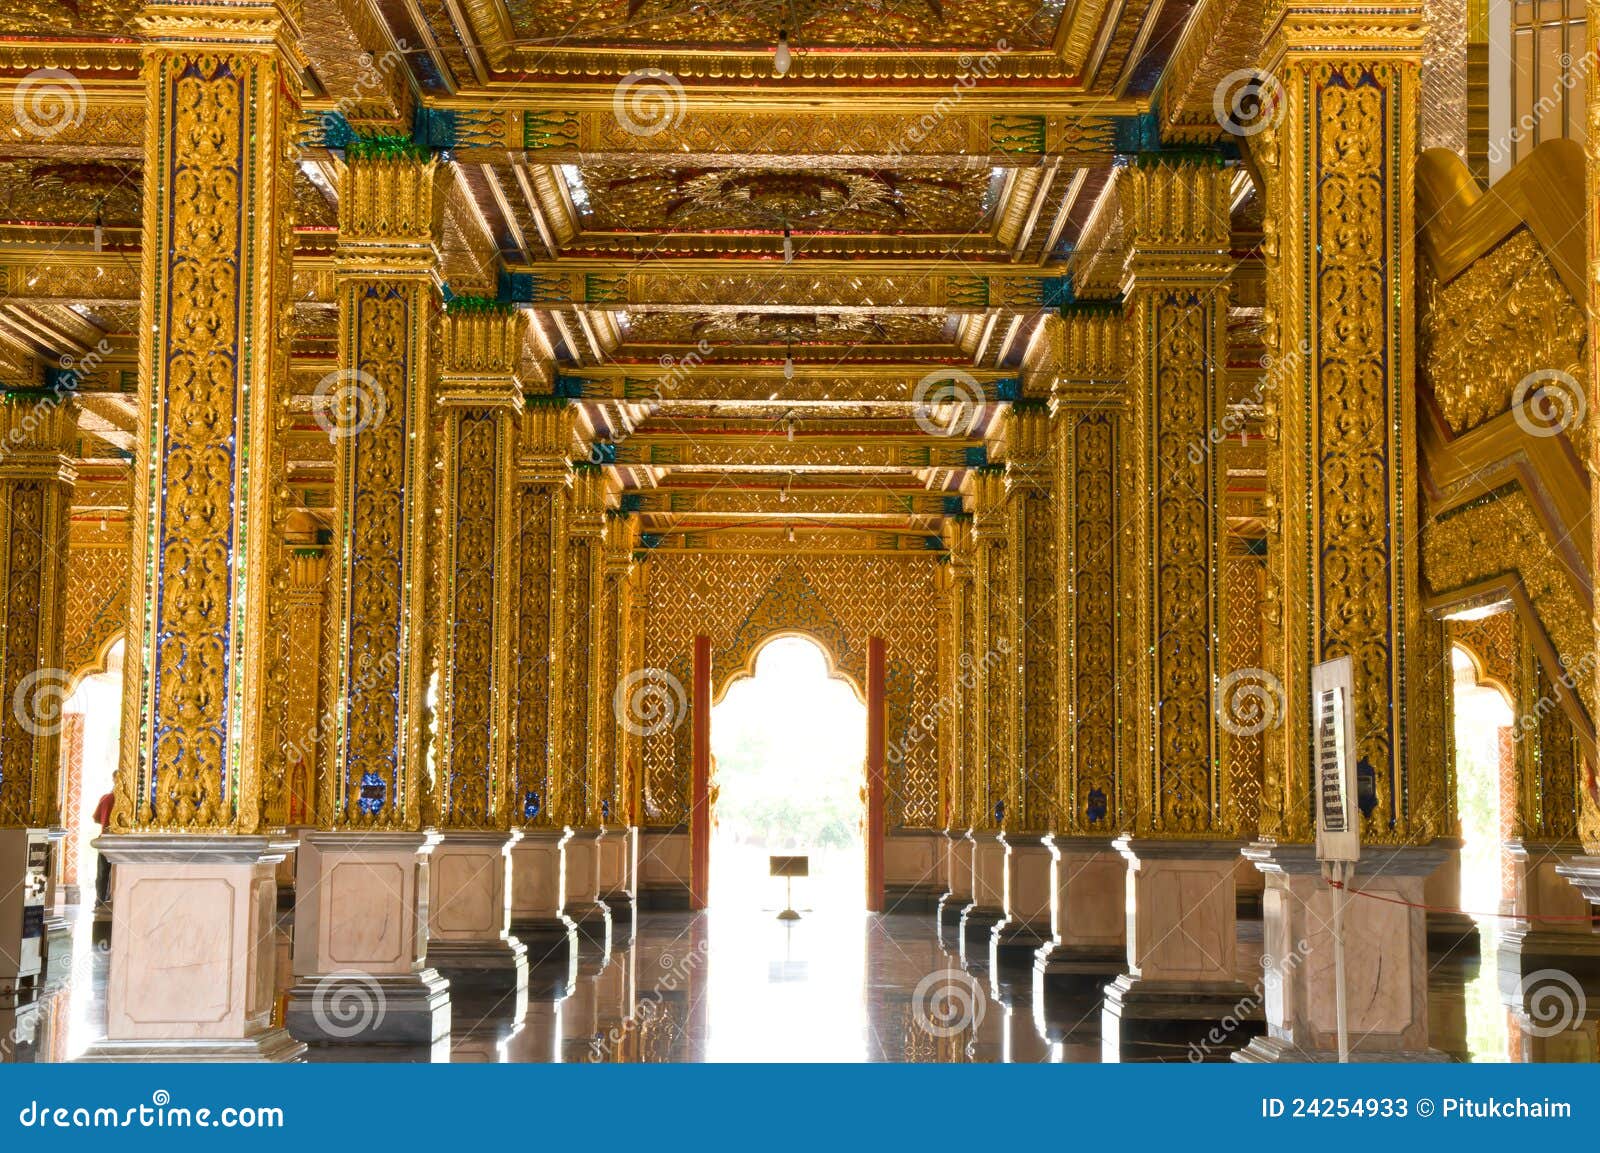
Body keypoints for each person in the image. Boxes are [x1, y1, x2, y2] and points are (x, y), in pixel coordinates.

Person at [92, 790, 114, 906]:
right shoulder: (129, 799)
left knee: (102, 873)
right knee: (113, 873)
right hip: (117, 838)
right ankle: (108, 901)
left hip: (105, 837)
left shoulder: (105, 798)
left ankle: (100, 901)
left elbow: (96, 818)